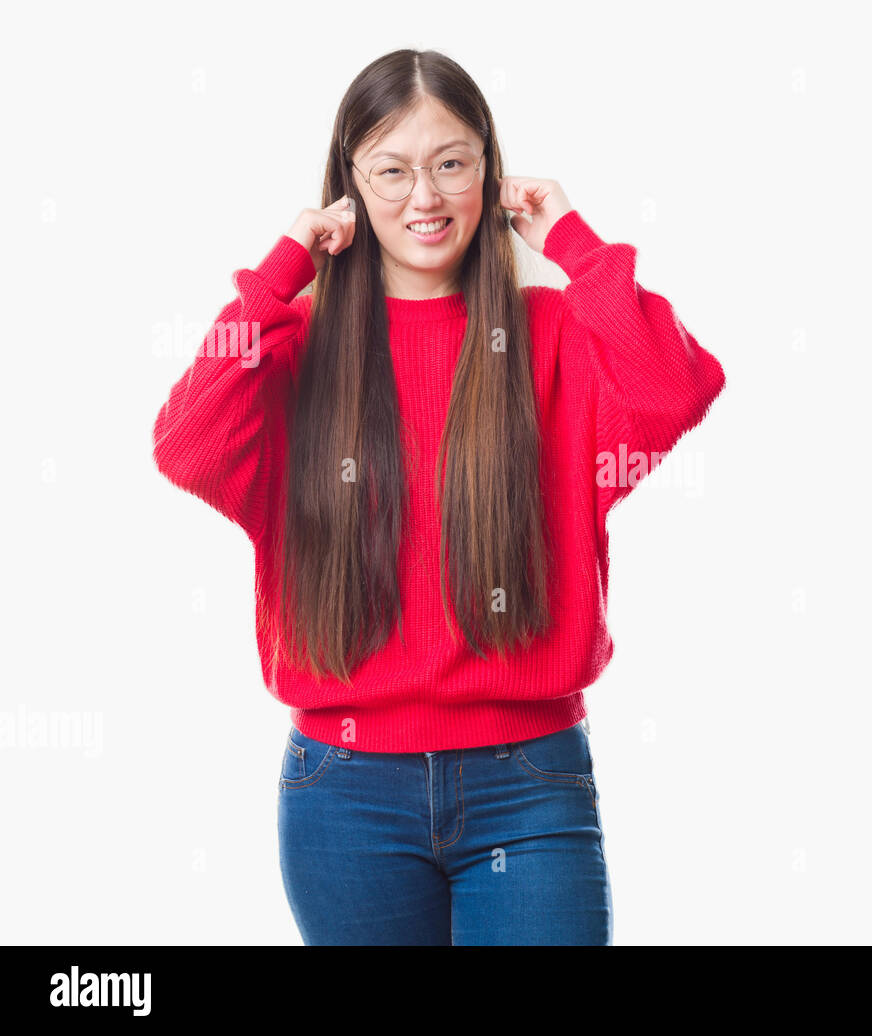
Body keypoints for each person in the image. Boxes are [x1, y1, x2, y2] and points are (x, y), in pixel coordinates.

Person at [151, 48, 726, 945]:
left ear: (490, 173)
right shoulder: (296, 347)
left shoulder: (552, 336)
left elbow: (674, 387)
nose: (425, 196)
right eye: (392, 169)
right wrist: (277, 275)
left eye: (452, 163)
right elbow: (187, 445)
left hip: (529, 784)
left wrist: (571, 238)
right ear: (350, 186)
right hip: (344, 794)